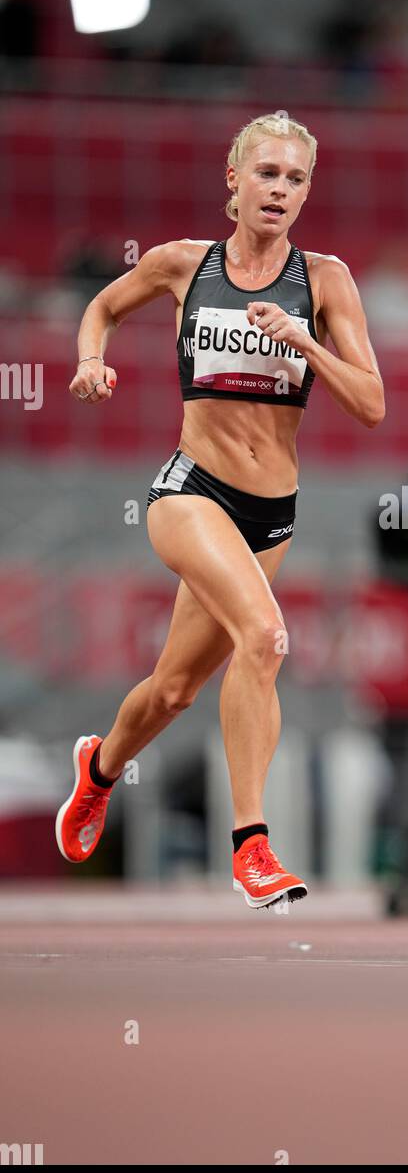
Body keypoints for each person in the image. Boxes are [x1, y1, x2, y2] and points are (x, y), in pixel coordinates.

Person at [56, 112, 385, 909]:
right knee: (266, 637)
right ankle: (252, 846)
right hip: (190, 492)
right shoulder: (180, 265)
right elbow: (101, 306)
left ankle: (98, 769)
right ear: (232, 182)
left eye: (296, 179)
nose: (280, 190)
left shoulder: (326, 280)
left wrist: (303, 342)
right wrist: (90, 361)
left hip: (269, 513)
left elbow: (371, 402)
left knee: (173, 691)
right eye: (267, 174)